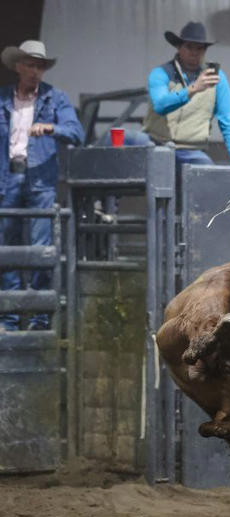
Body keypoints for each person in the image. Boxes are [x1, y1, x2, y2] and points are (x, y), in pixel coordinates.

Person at [0, 40, 84, 331]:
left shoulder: (54, 98)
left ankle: (37, 317)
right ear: (19, 66)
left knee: (39, 248)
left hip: (39, 179)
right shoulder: (3, 99)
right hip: (7, 177)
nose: (35, 72)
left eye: (40, 66)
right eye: (31, 65)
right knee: (6, 248)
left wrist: (51, 127)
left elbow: (76, 132)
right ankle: (9, 318)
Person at [142, 21, 230, 174]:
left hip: (190, 151)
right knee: (126, 142)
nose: (194, 53)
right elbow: (160, 105)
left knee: (208, 176)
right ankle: (104, 196)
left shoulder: (216, 79)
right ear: (178, 47)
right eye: (189, 47)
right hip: (155, 144)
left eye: (200, 48)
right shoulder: (161, 73)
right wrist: (193, 89)